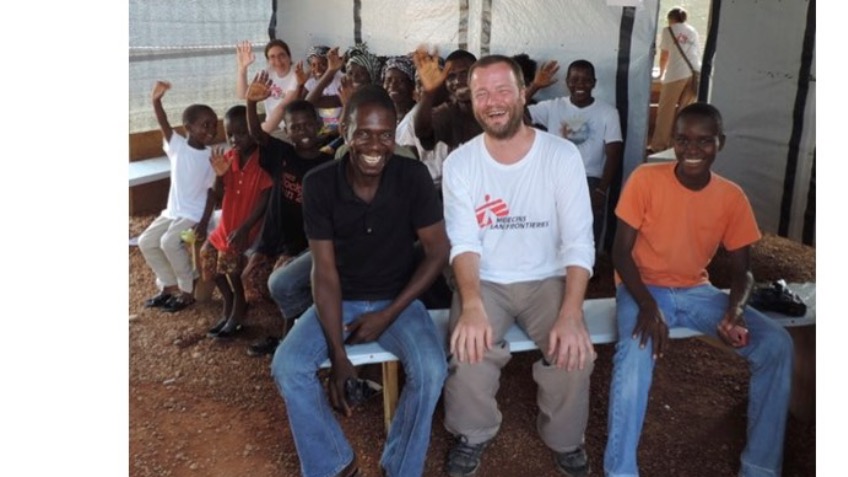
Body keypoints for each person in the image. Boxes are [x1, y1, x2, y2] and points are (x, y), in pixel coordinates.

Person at [603, 103, 793, 477]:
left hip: (696, 291)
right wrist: (647, 305)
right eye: (683, 139)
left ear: (721, 142)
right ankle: (621, 470)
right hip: (642, 289)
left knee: (776, 344)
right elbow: (620, 254)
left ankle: (759, 467)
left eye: (704, 141)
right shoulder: (645, 179)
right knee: (636, 350)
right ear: (673, 141)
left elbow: (744, 272)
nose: (692, 149)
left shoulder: (731, 197)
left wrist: (735, 311)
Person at [272, 85, 449, 477]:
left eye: (385, 134)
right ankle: (334, 463)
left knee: (432, 370)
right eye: (363, 133)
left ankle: (401, 467)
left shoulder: (412, 176)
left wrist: (388, 313)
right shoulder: (320, 184)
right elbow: (325, 272)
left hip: (399, 301)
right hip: (340, 299)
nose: (374, 145)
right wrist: (338, 355)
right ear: (345, 132)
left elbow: (438, 252)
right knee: (288, 366)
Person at [441, 55, 596, 477]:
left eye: (503, 90)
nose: (493, 102)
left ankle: (565, 439)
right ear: (472, 100)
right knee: (468, 350)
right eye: (482, 93)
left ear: (523, 93)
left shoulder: (561, 155)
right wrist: (472, 304)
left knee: (574, 351)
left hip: (547, 278)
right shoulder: (460, 164)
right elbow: (464, 242)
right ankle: (473, 432)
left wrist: (571, 312)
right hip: (486, 281)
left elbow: (579, 241)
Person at [241, 72, 334, 356]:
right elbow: (257, 135)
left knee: (282, 283)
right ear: (287, 130)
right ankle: (295, 328)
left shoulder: (328, 166)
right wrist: (251, 103)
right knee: (252, 281)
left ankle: (288, 339)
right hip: (275, 238)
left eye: (308, 124)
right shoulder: (281, 154)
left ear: (319, 125)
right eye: (295, 126)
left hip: (302, 245)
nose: (302, 131)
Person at [138, 81, 218, 313]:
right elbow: (163, 122)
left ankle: (187, 288)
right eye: (205, 125)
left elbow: (212, 192)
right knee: (146, 242)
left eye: (214, 124)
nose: (211, 130)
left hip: (195, 213)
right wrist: (156, 101)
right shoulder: (177, 146)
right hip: (173, 211)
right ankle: (168, 284)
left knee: (169, 242)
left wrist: (204, 222)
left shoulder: (211, 156)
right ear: (188, 127)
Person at [527, 59, 623, 249]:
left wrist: (601, 190)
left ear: (594, 83)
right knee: (551, 231)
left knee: (586, 233)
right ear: (567, 82)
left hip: (590, 179)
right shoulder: (553, 106)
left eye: (586, 80)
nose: (580, 85)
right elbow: (514, 111)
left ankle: (587, 265)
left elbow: (614, 153)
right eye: (575, 80)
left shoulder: (608, 112)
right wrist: (535, 86)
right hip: (554, 178)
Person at [202, 105, 273, 338]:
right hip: (227, 225)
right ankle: (229, 299)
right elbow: (218, 195)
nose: (234, 139)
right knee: (206, 255)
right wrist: (220, 175)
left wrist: (245, 228)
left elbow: (265, 198)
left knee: (230, 260)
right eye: (230, 134)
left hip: (249, 227)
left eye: (242, 133)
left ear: (254, 130)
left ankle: (239, 308)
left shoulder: (263, 161)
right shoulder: (229, 158)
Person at [648, 7, 702, 152]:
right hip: (695, 73)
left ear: (670, 19)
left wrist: (661, 74)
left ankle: (659, 146)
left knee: (666, 111)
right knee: (685, 112)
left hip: (676, 74)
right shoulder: (692, 31)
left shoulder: (668, 31)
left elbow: (664, 56)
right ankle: (679, 145)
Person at [413, 47, 481, 153]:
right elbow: (423, 134)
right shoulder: (448, 112)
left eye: (464, 74)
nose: (458, 81)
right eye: (451, 76)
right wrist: (428, 92)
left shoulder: (495, 104)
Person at [235, 39, 299, 133]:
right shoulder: (267, 73)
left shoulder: (297, 74)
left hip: (290, 129)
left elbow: (282, 108)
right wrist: (242, 68)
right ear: (268, 61)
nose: (278, 61)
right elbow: (243, 94)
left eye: (281, 55)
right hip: (271, 127)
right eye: (272, 57)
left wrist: (259, 132)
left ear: (289, 57)